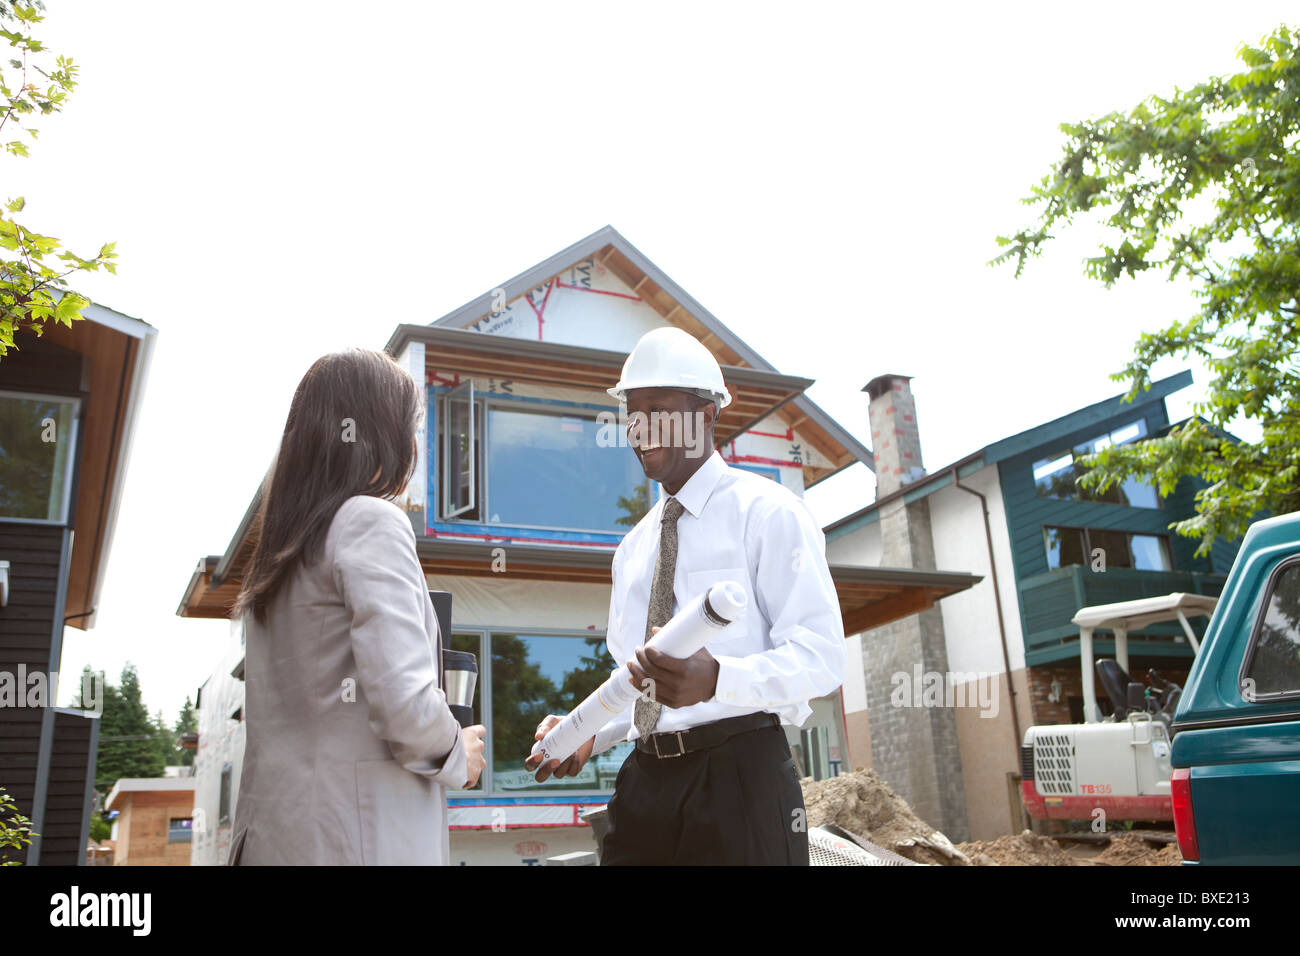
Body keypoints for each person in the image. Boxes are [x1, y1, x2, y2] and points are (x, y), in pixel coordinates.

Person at [524, 327, 845, 865]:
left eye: (658, 409)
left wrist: (718, 679)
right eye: (632, 411)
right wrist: (586, 733)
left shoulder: (768, 513)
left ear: (706, 416)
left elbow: (822, 657)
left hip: (740, 776)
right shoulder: (632, 549)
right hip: (645, 782)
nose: (639, 427)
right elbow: (634, 682)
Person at [228, 348, 485, 865]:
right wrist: (460, 752)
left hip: (273, 837)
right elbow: (406, 707)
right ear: (379, 434)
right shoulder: (370, 521)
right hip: (357, 839)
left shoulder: (280, 553)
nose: (413, 444)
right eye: (409, 426)